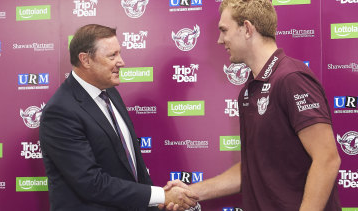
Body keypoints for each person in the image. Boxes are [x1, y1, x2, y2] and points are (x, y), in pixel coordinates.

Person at [163, 0, 342, 210]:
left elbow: (327, 159)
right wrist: (191, 192)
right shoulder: (250, 90)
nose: (220, 40)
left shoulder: (291, 78)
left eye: (224, 30)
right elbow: (253, 169)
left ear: (247, 28)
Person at [39, 24, 198, 211]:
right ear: (85, 60)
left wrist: (156, 202)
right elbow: (91, 183)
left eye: (119, 54)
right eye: (112, 56)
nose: (121, 62)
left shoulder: (110, 92)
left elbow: (133, 166)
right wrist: (161, 195)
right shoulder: (60, 111)